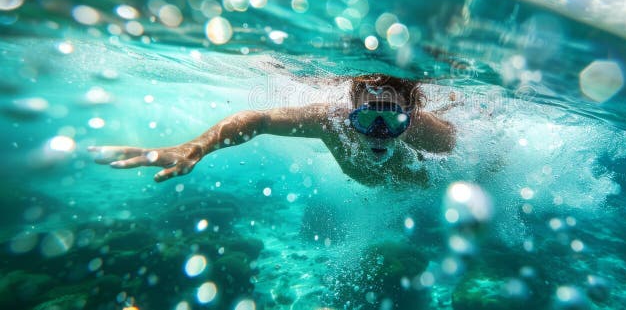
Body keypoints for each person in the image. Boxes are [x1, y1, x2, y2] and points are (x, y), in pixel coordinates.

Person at [91, 74, 456, 187]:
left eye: (393, 121)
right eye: (365, 119)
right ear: (350, 113)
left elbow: (477, 165)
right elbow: (260, 119)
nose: (378, 132)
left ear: (413, 116)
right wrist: (197, 147)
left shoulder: (434, 135)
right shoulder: (329, 120)